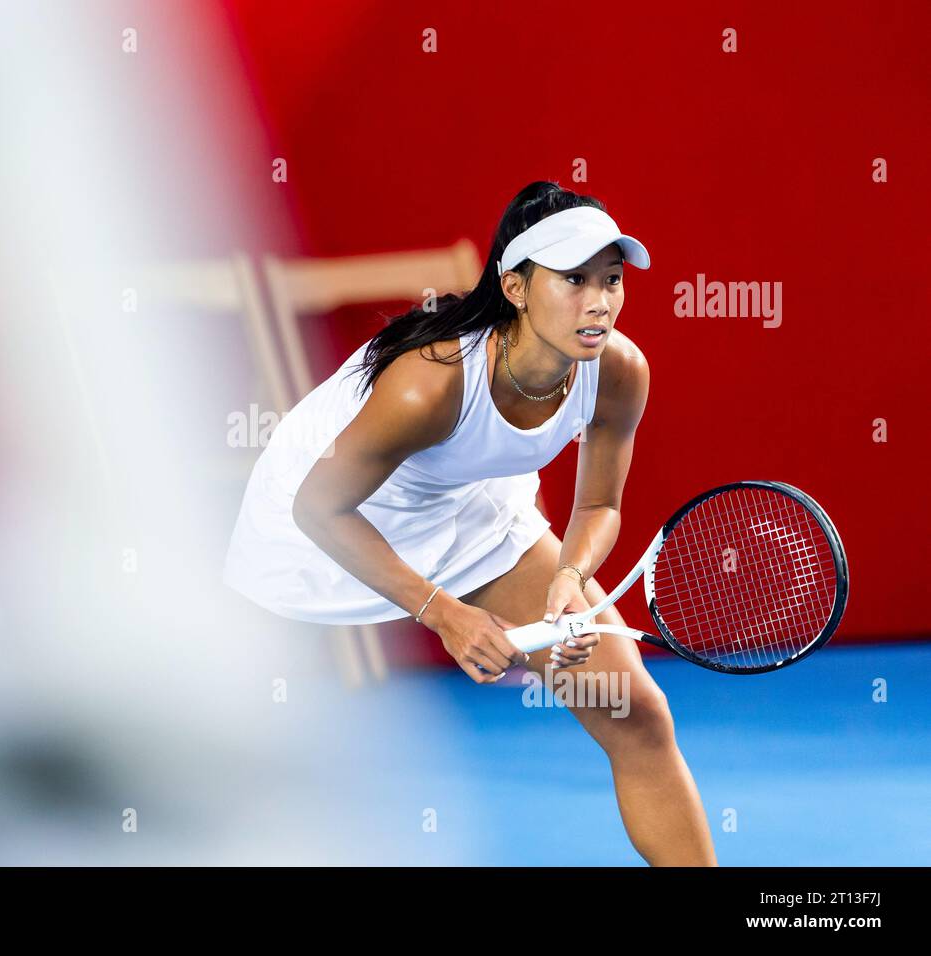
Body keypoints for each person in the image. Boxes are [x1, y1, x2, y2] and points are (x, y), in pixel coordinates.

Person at [223, 181, 717, 865]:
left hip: (468, 505)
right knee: (247, 752)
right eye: (573, 279)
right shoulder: (430, 382)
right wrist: (442, 612)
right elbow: (320, 507)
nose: (600, 299)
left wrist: (570, 579)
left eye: (611, 279)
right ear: (515, 286)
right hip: (317, 514)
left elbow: (599, 506)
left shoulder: (620, 371)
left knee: (637, 714)